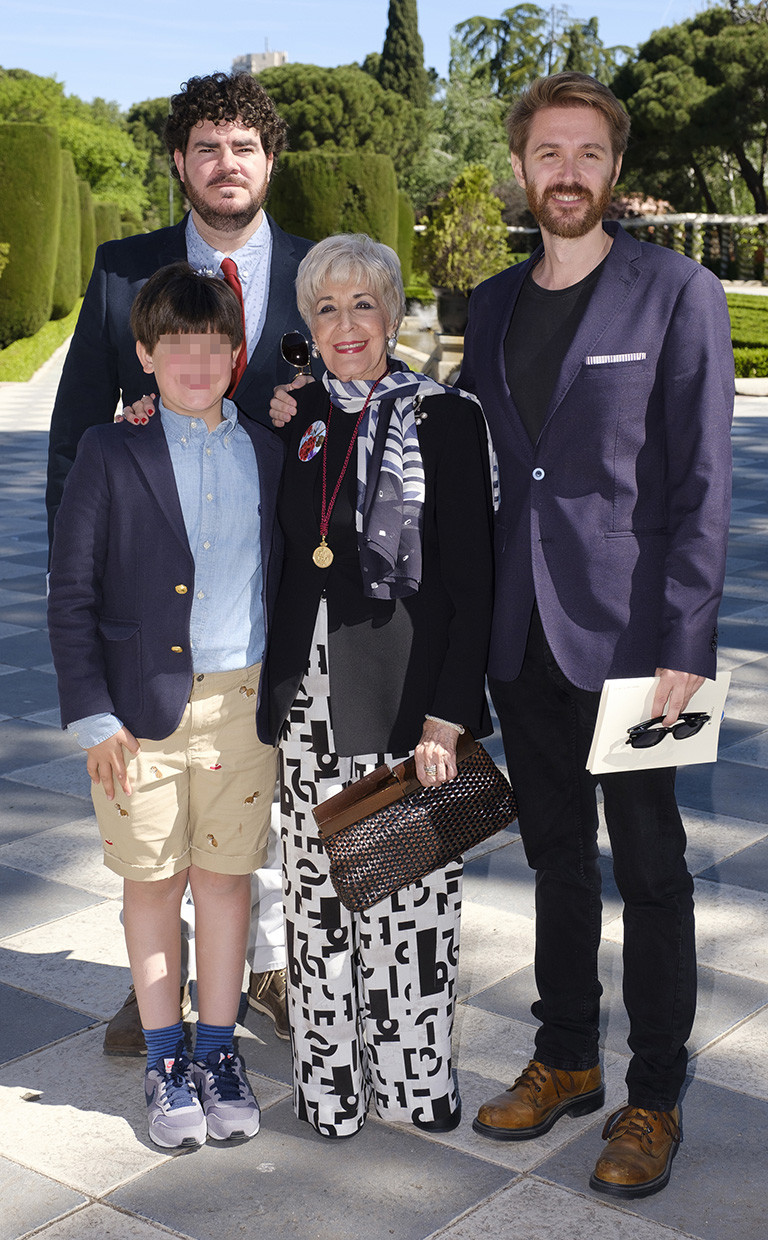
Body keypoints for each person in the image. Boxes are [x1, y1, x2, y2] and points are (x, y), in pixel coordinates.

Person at [456, 73, 734, 1199]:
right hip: (521, 639)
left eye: (585, 153)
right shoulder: (485, 305)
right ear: (519, 170)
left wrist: (686, 636)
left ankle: (653, 1097)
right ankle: (566, 1054)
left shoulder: (678, 292)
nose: (564, 172)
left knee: (655, 872)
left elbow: (701, 482)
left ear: (611, 170)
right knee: (554, 859)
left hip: (636, 644)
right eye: (545, 153)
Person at [46, 70, 313, 1053]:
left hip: (287, 588)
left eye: (243, 146)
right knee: (160, 808)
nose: (225, 163)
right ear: (178, 163)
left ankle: (269, 965)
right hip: (153, 610)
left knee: (268, 792)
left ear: (269, 161)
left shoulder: (318, 270)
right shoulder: (124, 273)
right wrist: (77, 585)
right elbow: (76, 438)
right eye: (207, 146)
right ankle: (172, 981)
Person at [260, 233, 494, 1138]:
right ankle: (331, 1086)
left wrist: (447, 717)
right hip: (305, 699)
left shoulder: (446, 417)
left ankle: (414, 1079)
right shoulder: (293, 416)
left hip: (404, 700)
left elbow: (472, 583)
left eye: (364, 305)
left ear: (394, 315)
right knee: (317, 902)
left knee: (407, 897)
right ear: (307, 326)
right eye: (326, 308)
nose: (346, 324)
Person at [47, 263, 284, 1148]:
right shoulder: (112, 453)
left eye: (213, 344)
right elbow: (70, 592)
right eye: (175, 345)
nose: (195, 360)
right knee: (154, 886)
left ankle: (218, 1050)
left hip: (244, 704)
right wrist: (92, 716)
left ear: (236, 353)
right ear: (143, 354)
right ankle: (162, 1055)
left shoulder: (264, 451)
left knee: (226, 883)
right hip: (136, 717)